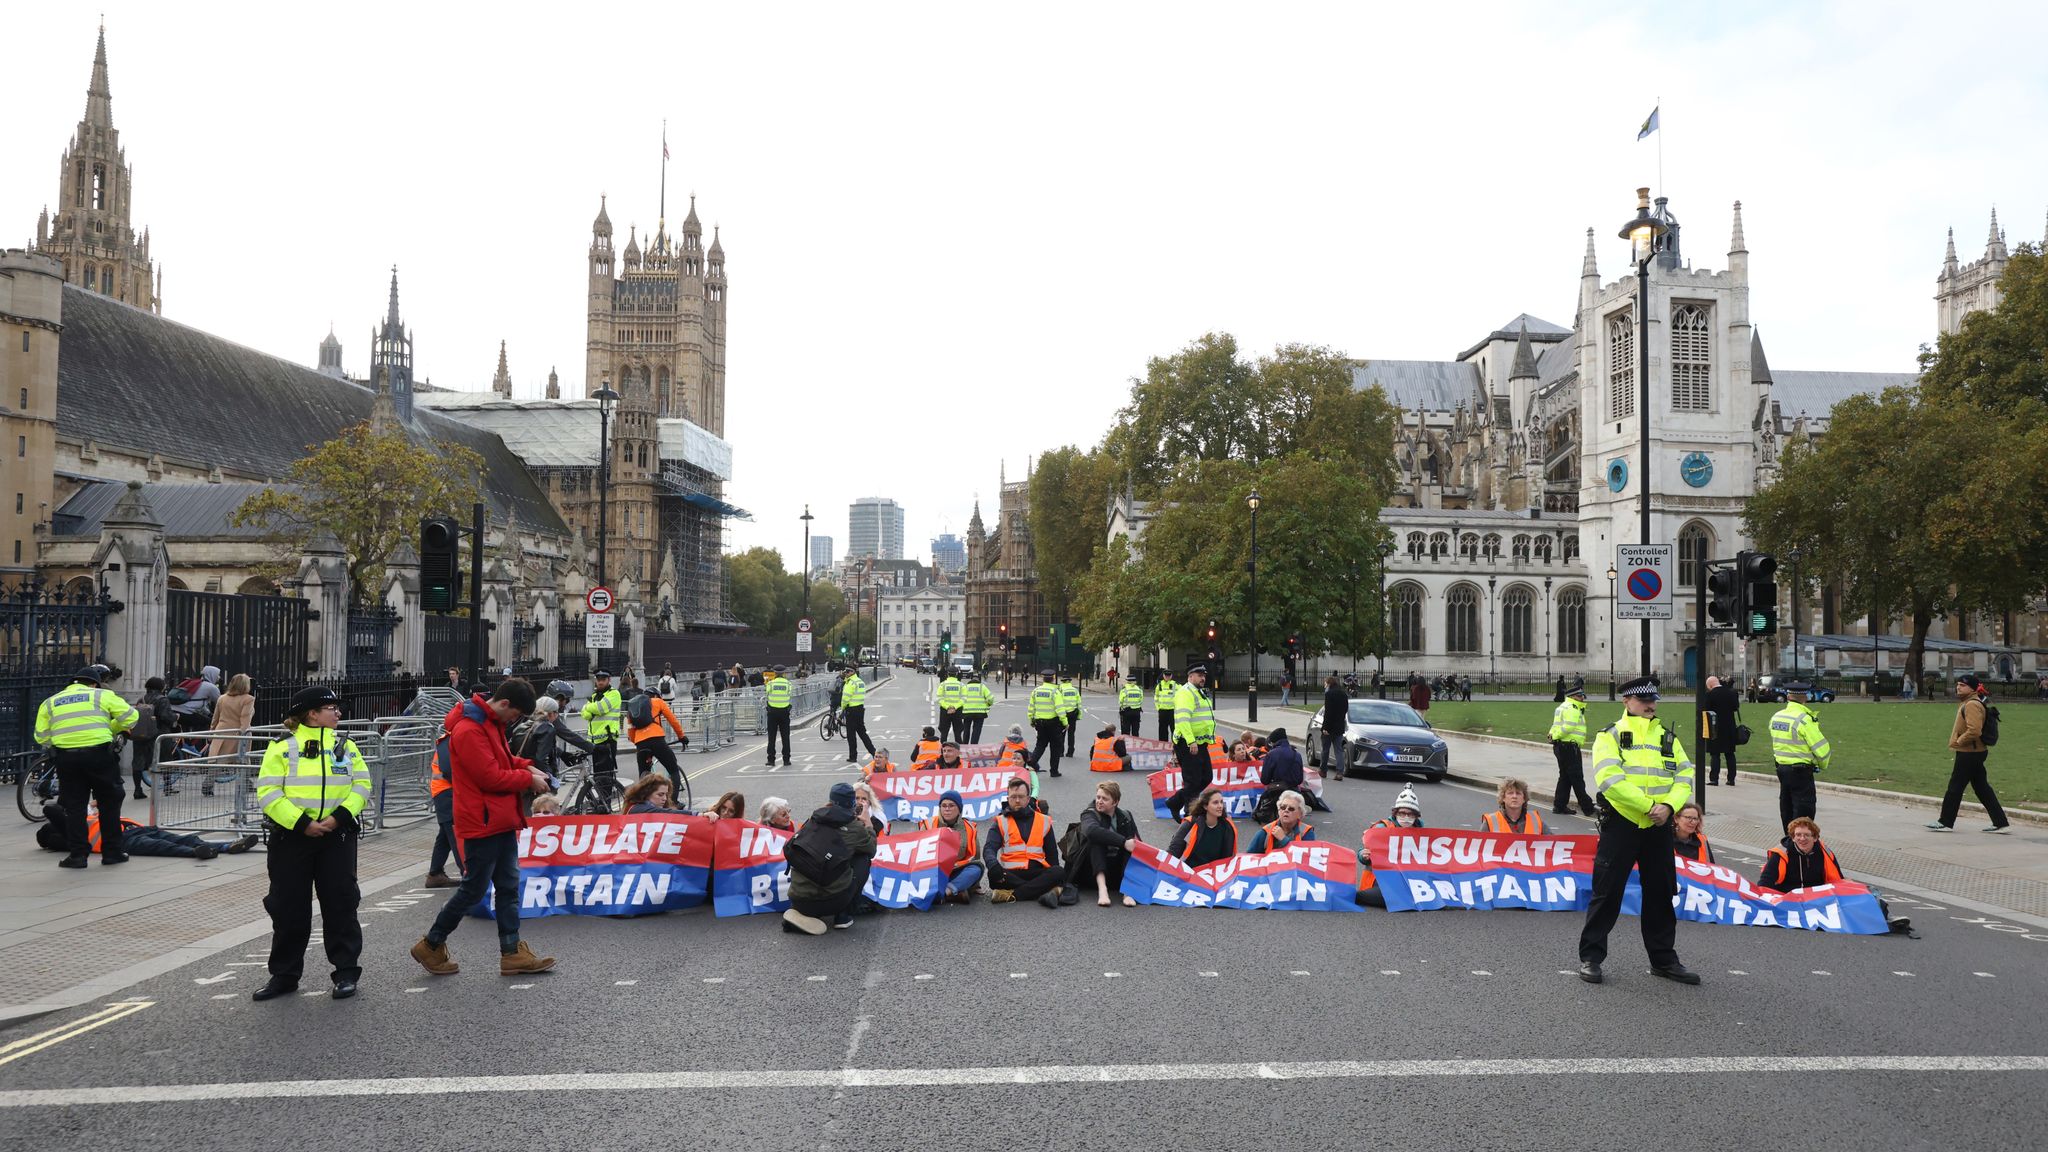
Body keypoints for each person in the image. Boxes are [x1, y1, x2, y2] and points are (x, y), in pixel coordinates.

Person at [411, 679, 555, 980]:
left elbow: (499, 759)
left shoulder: (487, 722)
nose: (513, 721)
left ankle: (512, 952)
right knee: (474, 889)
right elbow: (489, 776)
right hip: (482, 821)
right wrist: (526, 780)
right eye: (514, 715)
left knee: (507, 886)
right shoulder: (469, 729)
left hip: (498, 818)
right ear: (504, 705)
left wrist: (527, 766)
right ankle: (431, 944)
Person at [1577, 676, 1699, 987]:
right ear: (1627, 702)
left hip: (1658, 827)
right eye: (1644, 701)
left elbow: (1685, 775)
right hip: (1623, 824)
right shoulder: (1611, 736)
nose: (1651, 706)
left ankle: (1663, 960)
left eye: (1654, 700)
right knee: (1607, 892)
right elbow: (1609, 780)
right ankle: (1591, 957)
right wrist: (1649, 806)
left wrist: (1669, 807)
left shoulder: (1667, 737)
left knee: (1660, 893)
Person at [251, 685, 370, 1001]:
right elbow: (269, 792)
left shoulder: (346, 745)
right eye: (332, 708)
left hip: (337, 836)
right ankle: (284, 975)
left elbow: (362, 784)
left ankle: (345, 973)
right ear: (312, 713)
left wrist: (339, 817)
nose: (339, 713)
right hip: (291, 838)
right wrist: (302, 823)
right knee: (288, 908)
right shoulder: (281, 747)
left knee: (342, 904)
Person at [35, 664, 137, 870]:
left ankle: (78, 856)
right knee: (109, 803)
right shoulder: (100, 695)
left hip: (67, 759)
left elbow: (41, 736)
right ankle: (112, 853)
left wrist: (63, 739)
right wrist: (110, 727)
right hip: (99, 755)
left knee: (74, 807)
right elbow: (131, 717)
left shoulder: (50, 702)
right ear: (93, 683)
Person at [783, 782, 878, 934]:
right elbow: (871, 849)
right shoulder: (854, 827)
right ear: (852, 803)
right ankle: (843, 915)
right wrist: (868, 824)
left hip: (797, 899)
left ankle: (802, 913)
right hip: (832, 902)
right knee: (863, 858)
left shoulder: (814, 819)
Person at [37, 800, 256, 860]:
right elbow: (51, 809)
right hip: (123, 840)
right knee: (164, 846)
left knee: (185, 838)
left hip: (138, 830)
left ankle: (226, 847)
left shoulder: (85, 818)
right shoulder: (70, 833)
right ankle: (199, 852)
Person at [1928, 675, 2010, 833]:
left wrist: (1959, 742)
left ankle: (1945, 822)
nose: (1959, 687)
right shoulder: (1969, 702)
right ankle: (2000, 822)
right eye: (1958, 684)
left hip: (1969, 752)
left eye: (1962, 685)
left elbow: (1974, 730)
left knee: (1955, 787)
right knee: (1981, 787)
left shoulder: (1972, 704)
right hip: (1974, 751)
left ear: (1972, 688)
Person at [983, 777, 1071, 906]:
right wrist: (992, 864)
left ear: (1028, 799)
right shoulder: (1000, 822)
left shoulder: (1044, 820)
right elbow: (989, 848)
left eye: (1021, 796)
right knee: (994, 875)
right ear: (1008, 799)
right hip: (1010, 873)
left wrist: (1056, 877)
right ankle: (1042, 891)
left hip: (1036, 872)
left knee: (1058, 872)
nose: (1017, 800)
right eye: (1013, 797)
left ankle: (1012, 895)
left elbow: (1052, 854)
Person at [1768, 681, 1830, 831]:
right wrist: (1822, 764)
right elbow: (1821, 748)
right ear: (1805, 697)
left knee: (1787, 809)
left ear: (1788, 696)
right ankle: (1800, 846)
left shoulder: (1777, 717)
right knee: (1804, 813)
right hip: (1801, 772)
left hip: (1782, 769)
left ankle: (1789, 842)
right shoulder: (1804, 719)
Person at [1070, 780, 1142, 907]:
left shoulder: (1126, 815)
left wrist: (1129, 844)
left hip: (1116, 871)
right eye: (1098, 797)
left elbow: (1137, 842)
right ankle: (1102, 891)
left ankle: (1128, 892)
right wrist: (1123, 842)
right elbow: (1091, 831)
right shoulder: (1089, 813)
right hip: (1092, 870)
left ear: (1115, 802)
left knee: (1131, 845)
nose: (1099, 801)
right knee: (1096, 841)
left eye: (1105, 799)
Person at [1354, 787, 1425, 908]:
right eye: (1402, 813)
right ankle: (1355, 896)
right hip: (1381, 879)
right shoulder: (1382, 828)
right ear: (1395, 813)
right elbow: (1362, 852)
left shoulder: (1421, 831)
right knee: (1389, 896)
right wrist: (1363, 855)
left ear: (1416, 816)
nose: (1406, 817)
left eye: (1411, 814)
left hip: (1408, 878)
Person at [1166, 663, 1217, 822]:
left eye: (1204, 675)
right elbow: (1182, 720)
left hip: (1200, 743)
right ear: (1190, 677)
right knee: (1193, 780)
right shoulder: (1185, 692)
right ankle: (1190, 816)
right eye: (1199, 675)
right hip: (1188, 744)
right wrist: (1191, 741)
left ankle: (1175, 802)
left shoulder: (1199, 692)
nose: (1203, 678)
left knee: (1206, 777)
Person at [920, 789, 983, 905]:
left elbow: (975, 858)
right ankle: (957, 892)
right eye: (943, 806)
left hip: (957, 870)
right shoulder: (928, 825)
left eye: (951, 805)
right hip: (934, 871)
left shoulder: (970, 828)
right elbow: (919, 855)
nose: (947, 809)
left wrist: (976, 884)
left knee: (976, 869)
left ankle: (945, 892)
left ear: (959, 809)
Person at [1547, 684, 1594, 816]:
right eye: (1579, 696)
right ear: (1572, 696)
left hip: (1560, 746)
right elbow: (1568, 727)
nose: (1582, 699)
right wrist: (1556, 736)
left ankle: (1560, 805)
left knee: (1565, 777)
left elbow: (1555, 724)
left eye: (1582, 696)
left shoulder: (1562, 707)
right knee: (1577, 777)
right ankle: (1587, 807)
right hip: (1569, 747)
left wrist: (1552, 736)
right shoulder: (1573, 708)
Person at [627, 685, 690, 781]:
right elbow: (673, 720)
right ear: (656, 696)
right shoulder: (658, 701)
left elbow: (630, 730)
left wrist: (637, 741)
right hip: (657, 740)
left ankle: (644, 793)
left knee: (644, 776)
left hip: (640, 743)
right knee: (673, 770)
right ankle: (672, 796)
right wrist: (681, 736)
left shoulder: (634, 707)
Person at [128, 676, 176, 800]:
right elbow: (165, 716)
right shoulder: (162, 699)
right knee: (165, 759)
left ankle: (137, 789)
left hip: (142, 734)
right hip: (159, 734)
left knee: (138, 761)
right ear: (161, 687)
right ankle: (167, 787)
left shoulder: (141, 699)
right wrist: (175, 717)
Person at [1169, 786, 1239, 867]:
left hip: (1215, 874)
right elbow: (1173, 851)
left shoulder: (1227, 826)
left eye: (1221, 802)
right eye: (1215, 803)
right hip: (1189, 872)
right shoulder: (1190, 824)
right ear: (1205, 806)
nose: (1220, 806)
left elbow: (1228, 857)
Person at [580, 670, 624, 782]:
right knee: (597, 777)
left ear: (609, 680)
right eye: (598, 680)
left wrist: (588, 707)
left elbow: (601, 708)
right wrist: (591, 709)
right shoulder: (595, 696)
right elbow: (584, 714)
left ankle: (606, 800)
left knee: (606, 777)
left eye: (603, 680)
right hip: (594, 743)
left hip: (607, 741)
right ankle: (600, 799)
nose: (600, 682)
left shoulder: (614, 694)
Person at [1027, 668, 1067, 777]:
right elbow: (1060, 709)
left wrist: (1031, 720)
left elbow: (1031, 708)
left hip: (1039, 722)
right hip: (1053, 723)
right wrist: (1065, 723)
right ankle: (1054, 771)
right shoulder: (1055, 692)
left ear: (1043, 678)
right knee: (1055, 747)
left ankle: (1030, 764)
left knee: (1040, 745)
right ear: (1053, 678)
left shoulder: (1036, 691)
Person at [1704, 674, 1743, 787]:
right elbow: (1735, 707)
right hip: (1730, 727)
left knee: (1715, 754)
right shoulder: (1731, 693)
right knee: (1730, 754)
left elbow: (1706, 710)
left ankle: (1714, 779)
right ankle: (1731, 779)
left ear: (1710, 685)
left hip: (1715, 727)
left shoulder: (1710, 695)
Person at [1248, 791, 1315, 853]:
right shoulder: (1265, 832)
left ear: (1300, 814)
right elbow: (1248, 857)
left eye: (1291, 809)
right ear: (1278, 811)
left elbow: (1307, 858)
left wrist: (1283, 839)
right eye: (1283, 807)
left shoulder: (1306, 832)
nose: (1286, 810)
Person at [1480, 777, 1545, 834]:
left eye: (1518, 793)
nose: (1514, 796)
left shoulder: (1536, 820)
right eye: (1510, 793)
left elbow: (1553, 843)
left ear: (1524, 799)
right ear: (1503, 798)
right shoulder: (1490, 821)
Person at [839, 667, 876, 762]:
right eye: (845, 672)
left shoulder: (850, 683)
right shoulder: (860, 681)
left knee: (851, 735)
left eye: (847, 672)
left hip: (851, 711)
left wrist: (842, 708)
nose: (846, 673)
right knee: (862, 733)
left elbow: (845, 698)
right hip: (860, 709)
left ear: (852, 672)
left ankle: (853, 756)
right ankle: (874, 753)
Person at [171, 665, 221, 732]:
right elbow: (221, 702)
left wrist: (209, 714)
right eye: (217, 675)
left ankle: (188, 741)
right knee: (208, 722)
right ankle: (199, 741)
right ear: (212, 674)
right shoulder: (212, 687)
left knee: (200, 719)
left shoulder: (197, 683)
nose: (219, 677)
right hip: (185, 712)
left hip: (173, 710)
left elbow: (198, 703)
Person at [762, 664, 794, 767]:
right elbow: (790, 695)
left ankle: (771, 760)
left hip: (772, 712)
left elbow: (767, 694)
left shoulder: (770, 684)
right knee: (785, 737)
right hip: (784, 712)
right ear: (784, 673)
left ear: (775, 673)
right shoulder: (788, 684)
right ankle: (786, 760)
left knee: (771, 737)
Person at [1319, 675, 1349, 783]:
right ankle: (1339, 772)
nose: (1324, 685)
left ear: (1329, 684)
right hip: (1339, 726)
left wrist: (1325, 727)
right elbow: (1346, 709)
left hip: (1329, 727)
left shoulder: (1329, 694)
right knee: (1339, 750)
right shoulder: (1343, 694)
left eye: (1325, 683)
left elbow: (1328, 712)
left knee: (1325, 750)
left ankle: (1323, 770)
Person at [962, 673, 995, 744]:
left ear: (971, 679)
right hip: (980, 712)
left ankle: (965, 744)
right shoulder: (982, 687)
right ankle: (974, 745)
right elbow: (991, 698)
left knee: (966, 729)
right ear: (979, 679)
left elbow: (960, 699)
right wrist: (989, 704)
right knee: (976, 730)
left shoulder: (965, 687)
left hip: (966, 712)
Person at [936, 668, 965, 744]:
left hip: (945, 711)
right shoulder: (961, 685)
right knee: (958, 733)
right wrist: (954, 707)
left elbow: (939, 698)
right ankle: (959, 752)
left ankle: (943, 751)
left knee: (944, 733)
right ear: (956, 674)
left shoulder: (943, 684)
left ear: (948, 674)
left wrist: (947, 707)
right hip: (957, 711)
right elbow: (964, 699)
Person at [1059, 675, 1083, 756]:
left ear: (1062, 681)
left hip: (1063, 714)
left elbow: (1057, 703)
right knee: (1071, 734)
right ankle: (1070, 752)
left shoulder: (1060, 690)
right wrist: (1079, 716)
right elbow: (1079, 704)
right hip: (1073, 714)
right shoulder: (1075, 690)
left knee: (1061, 734)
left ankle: (1061, 752)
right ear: (1069, 681)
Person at [1154, 672, 1178, 741]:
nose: (1167, 677)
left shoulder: (1176, 685)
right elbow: (1156, 698)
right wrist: (1158, 708)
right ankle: (1163, 746)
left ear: (1171, 676)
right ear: (1163, 675)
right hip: (1162, 711)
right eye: (1166, 675)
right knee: (1162, 730)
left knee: (1175, 730)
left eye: (1169, 675)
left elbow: (1182, 695)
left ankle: (1175, 746)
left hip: (1173, 711)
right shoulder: (1159, 685)